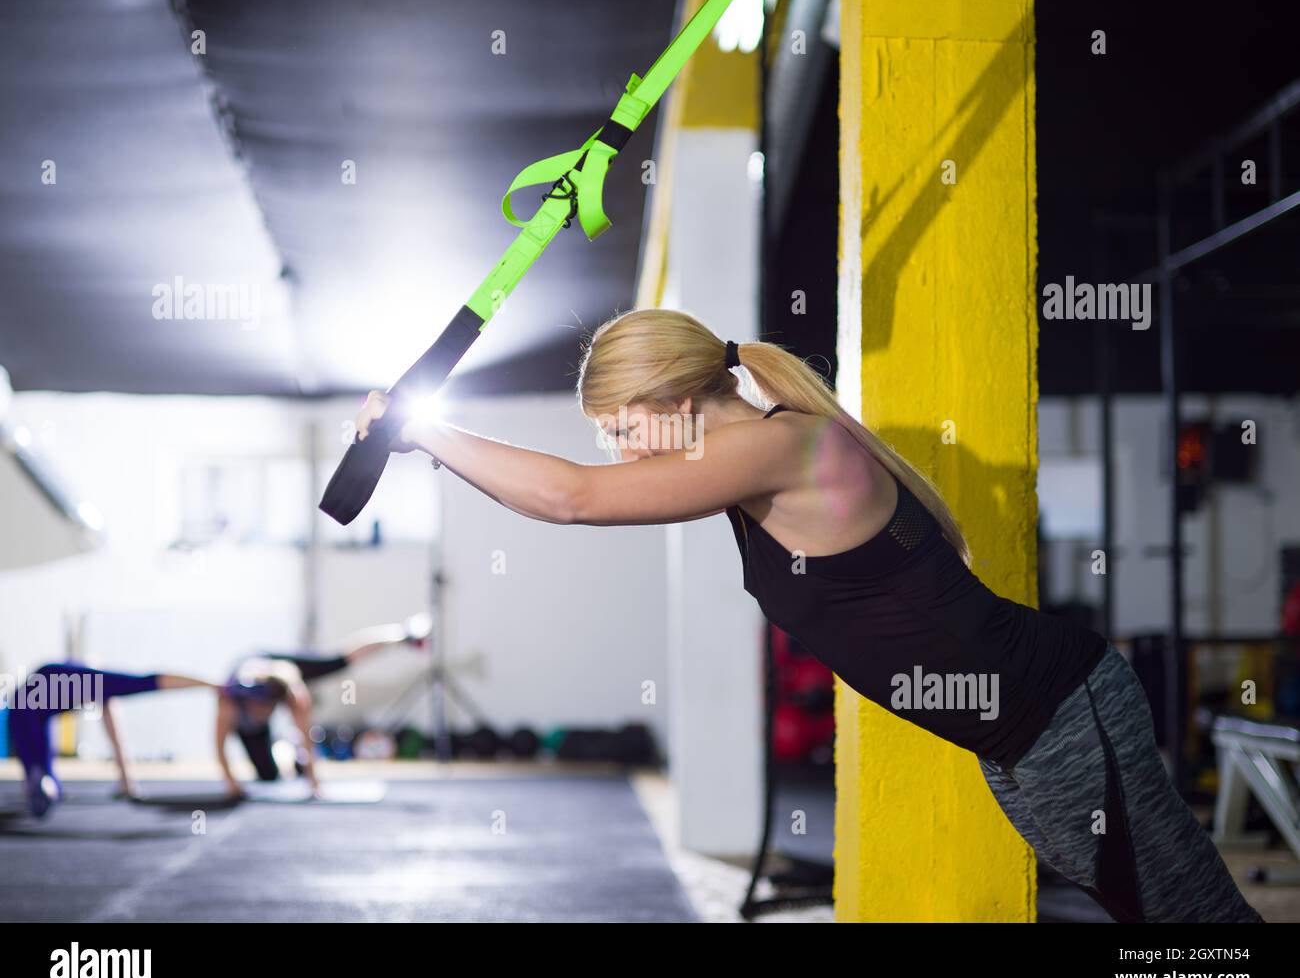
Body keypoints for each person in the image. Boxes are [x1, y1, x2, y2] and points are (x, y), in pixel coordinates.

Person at [352, 307, 1264, 924]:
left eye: (623, 425)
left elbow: (571, 499)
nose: (617, 447)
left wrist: (423, 425)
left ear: (675, 404)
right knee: (1151, 915)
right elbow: (571, 490)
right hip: (1019, 733)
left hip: (1062, 710)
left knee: (1191, 928)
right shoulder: (757, 449)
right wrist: (437, 448)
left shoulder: (775, 445)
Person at [216, 615, 431, 795]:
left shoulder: (290, 693)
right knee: (268, 775)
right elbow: (219, 742)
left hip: (273, 670)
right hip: (252, 673)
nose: (261, 714)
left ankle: (401, 634)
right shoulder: (230, 703)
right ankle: (286, 752)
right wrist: (230, 781)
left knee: (337, 662)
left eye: (265, 710)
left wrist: (314, 780)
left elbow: (304, 732)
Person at [5, 662, 219, 817]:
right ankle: (41, 787)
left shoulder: (92, 686)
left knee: (40, 773)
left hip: (31, 707)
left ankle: (42, 786)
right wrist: (211, 686)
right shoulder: (88, 683)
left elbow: (115, 733)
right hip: (26, 709)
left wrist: (126, 780)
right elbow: (151, 682)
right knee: (38, 773)